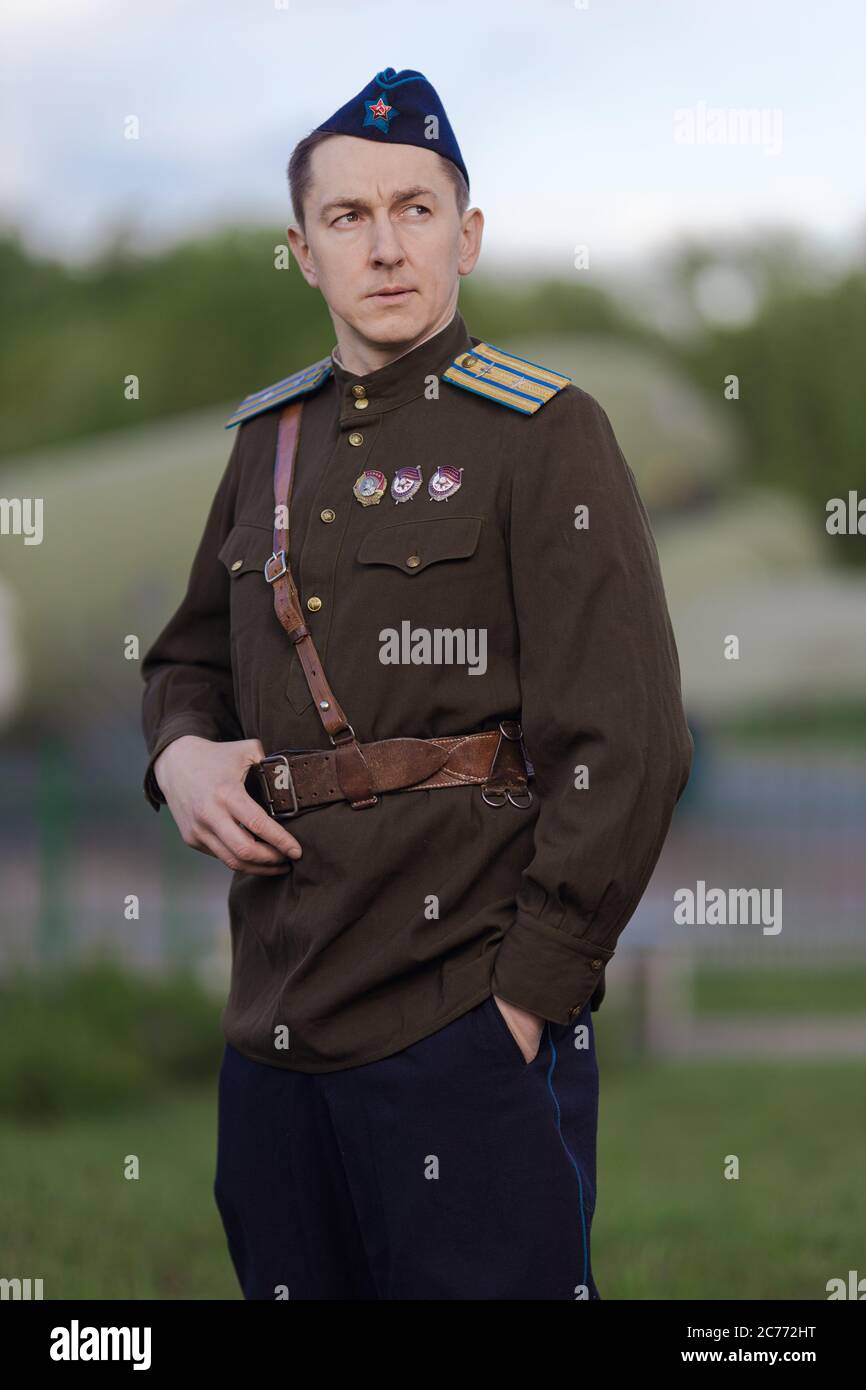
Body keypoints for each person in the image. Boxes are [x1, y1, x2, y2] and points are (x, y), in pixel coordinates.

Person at [140, 65, 693, 1301]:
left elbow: (628, 740)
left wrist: (525, 1006)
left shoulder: (543, 434)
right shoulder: (263, 443)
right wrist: (176, 749)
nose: (384, 246)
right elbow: (187, 659)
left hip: (460, 1016)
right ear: (302, 251)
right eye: (347, 217)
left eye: (415, 209)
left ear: (467, 233)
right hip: (273, 1021)